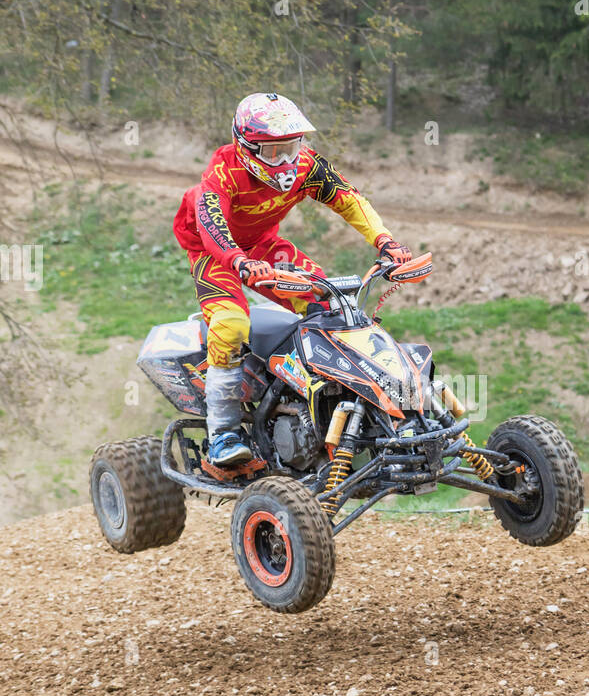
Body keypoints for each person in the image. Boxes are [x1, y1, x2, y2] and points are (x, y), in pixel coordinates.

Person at [174, 92, 414, 466]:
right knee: (231, 325)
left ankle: (320, 403)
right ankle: (223, 433)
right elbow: (210, 223)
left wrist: (385, 240)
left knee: (332, 304)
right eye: (273, 152)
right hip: (215, 252)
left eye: (293, 146)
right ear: (246, 147)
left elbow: (349, 199)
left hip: (264, 247)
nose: (286, 160)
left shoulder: (307, 166)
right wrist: (237, 259)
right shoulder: (223, 172)